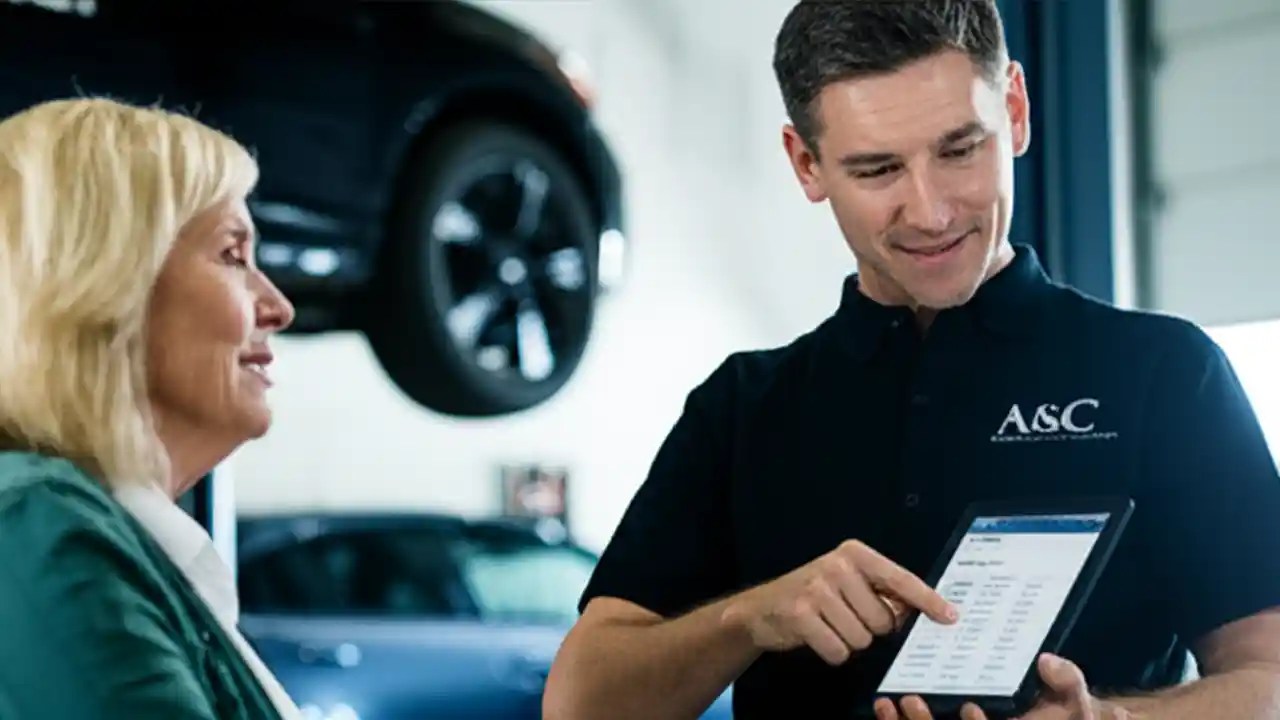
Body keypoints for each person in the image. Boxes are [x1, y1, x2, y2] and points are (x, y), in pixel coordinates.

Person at [544, 1, 1280, 718]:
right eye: (877, 170)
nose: (931, 212)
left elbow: (1271, 676)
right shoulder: (740, 410)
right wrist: (752, 616)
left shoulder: (1166, 373)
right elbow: (579, 704)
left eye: (960, 150)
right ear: (807, 165)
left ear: (1015, 110)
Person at [0, 97, 300, 719]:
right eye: (232, 256)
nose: (277, 307)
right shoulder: (37, 524)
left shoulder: (92, 533)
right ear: (105, 280)